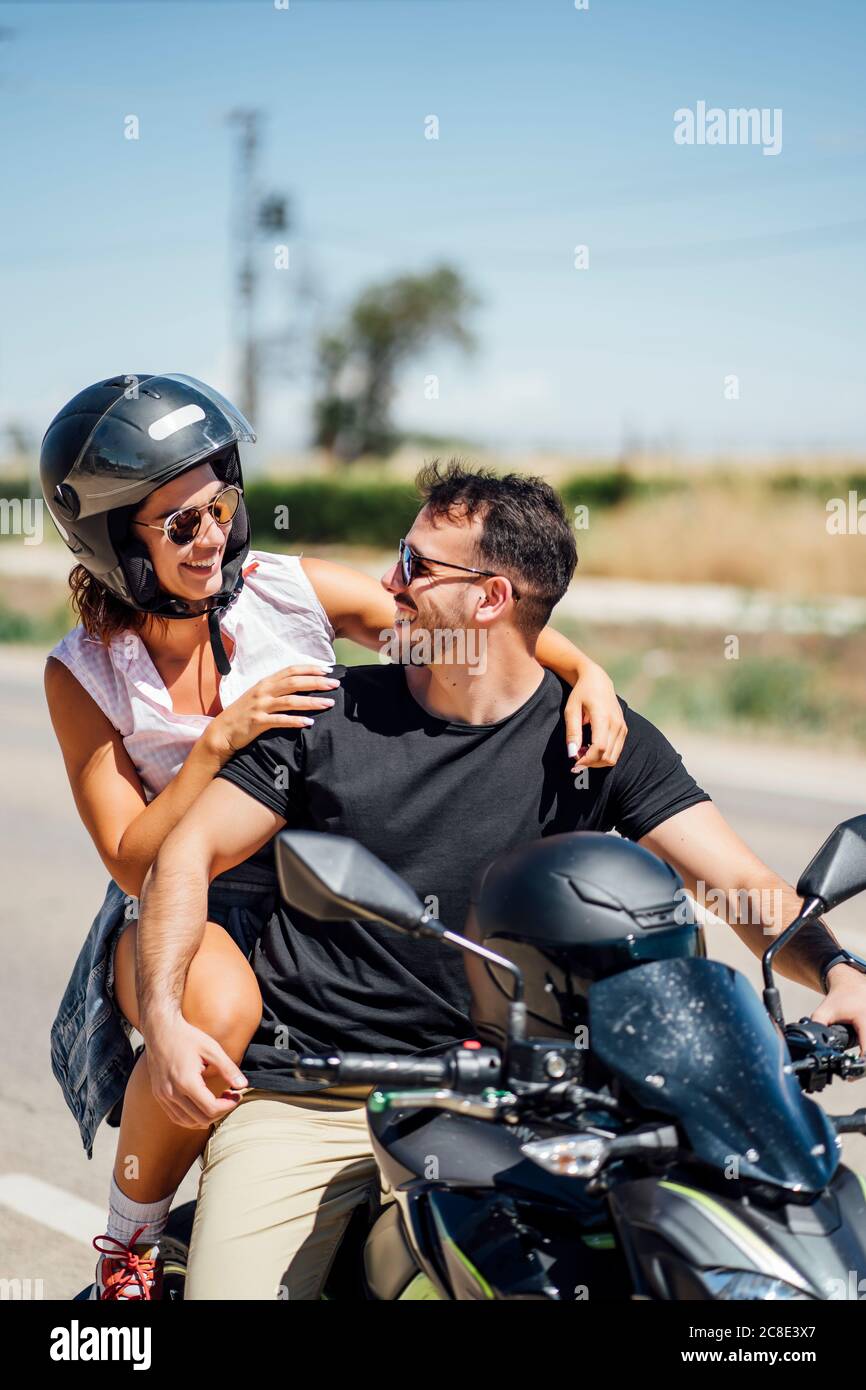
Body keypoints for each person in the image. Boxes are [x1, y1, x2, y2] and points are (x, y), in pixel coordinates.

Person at [136, 461, 866, 1300]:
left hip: (528, 1102)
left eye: (414, 567)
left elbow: (737, 881)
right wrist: (163, 1016)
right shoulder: (325, 714)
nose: (387, 584)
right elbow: (184, 856)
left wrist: (843, 974)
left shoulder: (595, 737)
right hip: (319, 1093)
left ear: (489, 600)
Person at [41, 375, 627, 1300]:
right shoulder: (83, 673)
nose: (213, 539)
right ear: (116, 541)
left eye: (221, 507)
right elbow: (131, 853)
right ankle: (129, 1242)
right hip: (186, 893)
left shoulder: (287, 589)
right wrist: (221, 744)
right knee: (219, 1008)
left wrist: (584, 669)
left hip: (325, 885)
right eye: (178, 525)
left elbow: (461, 629)